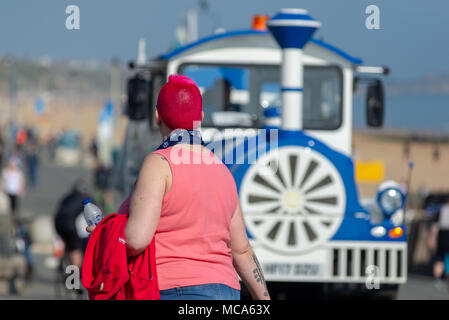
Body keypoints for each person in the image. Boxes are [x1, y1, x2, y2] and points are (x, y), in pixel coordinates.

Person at [88, 75, 270, 300]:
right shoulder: (222, 170)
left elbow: (136, 239)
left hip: (176, 290)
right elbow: (242, 251)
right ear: (201, 118)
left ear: (157, 117)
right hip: (226, 291)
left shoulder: (158, 164)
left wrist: (104, 232)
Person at [54, 178, 92, 269]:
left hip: (58, 224)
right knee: (76, 249)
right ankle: (74, 277)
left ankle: (64, 261)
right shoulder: (86, 199)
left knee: (69, 244)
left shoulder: (67, 197)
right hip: (70, 226)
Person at [432, 196, 449, 287]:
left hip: (442, 234)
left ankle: (437, 277)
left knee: (440, 256)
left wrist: (432, 238)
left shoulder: (441, 209)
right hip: (444, 233)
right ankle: (446, 274)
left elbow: (435, 226)